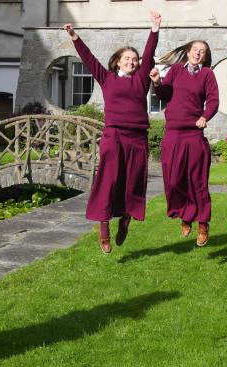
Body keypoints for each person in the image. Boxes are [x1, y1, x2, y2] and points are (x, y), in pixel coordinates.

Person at [64, 11, 161, 253]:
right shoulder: (106, 78)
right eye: (127, 58)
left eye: (135, 59)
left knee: (133, 183)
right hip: (114, 136)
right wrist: (75, 37)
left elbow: (149, 56)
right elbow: (88, 60)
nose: (132, 61)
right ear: (117, 61)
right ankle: (104, 223)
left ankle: (126, 217)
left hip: (137, 138)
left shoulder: (141, 80)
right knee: (109, 180)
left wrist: (155, 29)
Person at [150, 40, 219, 246]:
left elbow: (214, 100)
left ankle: (203, 223)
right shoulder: (176, 70)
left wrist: (205, 116)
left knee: (197, 181)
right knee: (173, 180)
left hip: (194, 134)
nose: (198, 54)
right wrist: (156, 82)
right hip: (173, 133)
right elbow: (165, 95)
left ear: (205, 57)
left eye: (203, 52)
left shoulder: (207, 74)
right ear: (188, 52)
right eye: (195, 50)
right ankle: (186, 214)